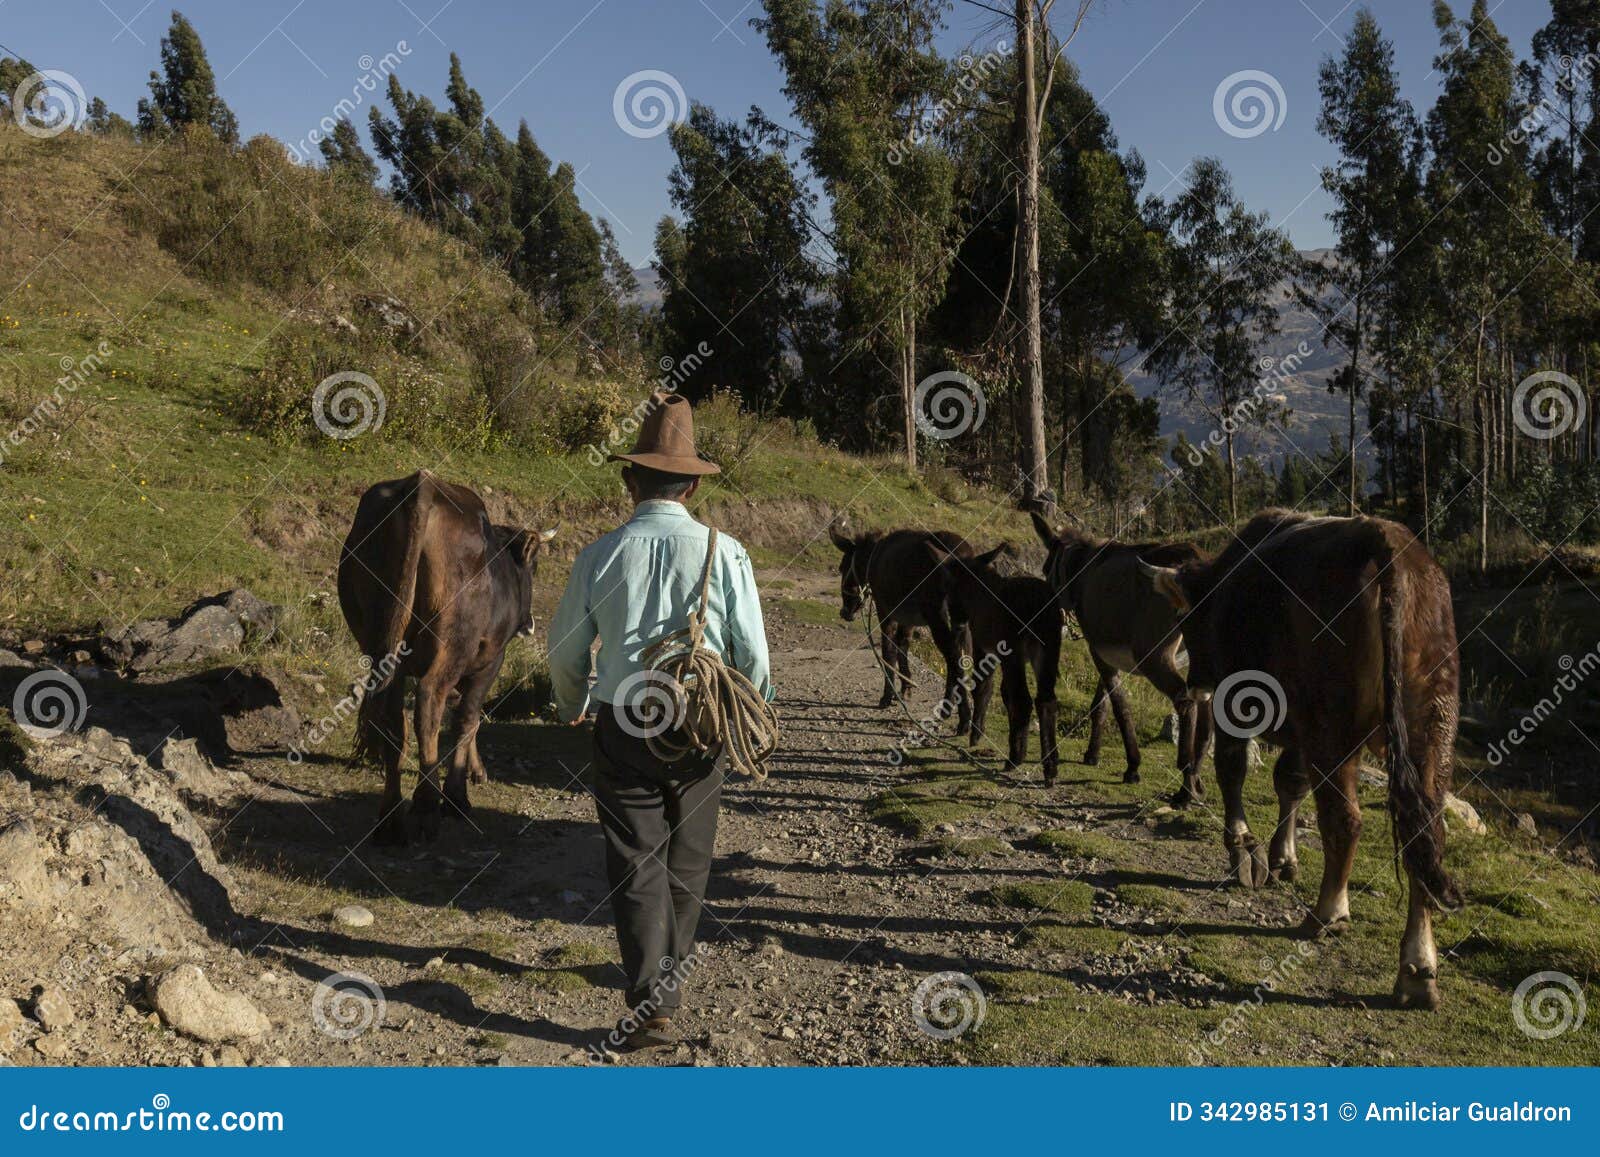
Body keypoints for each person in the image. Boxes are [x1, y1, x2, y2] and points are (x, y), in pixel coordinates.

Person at [547, 392, 772, 1052]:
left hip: (624, 717)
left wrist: (572, 703)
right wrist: (749, 711)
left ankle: (650, 996)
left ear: (629, 478)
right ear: (695, 484)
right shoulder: (725, 553)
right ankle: (663, 984)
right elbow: (752, 654)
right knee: (690, 857)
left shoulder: (598, 556)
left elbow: (564, 649)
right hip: (701, 721)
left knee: (634, 855)